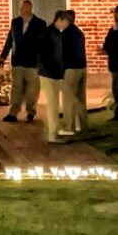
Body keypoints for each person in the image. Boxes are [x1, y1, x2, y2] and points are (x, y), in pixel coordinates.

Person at [0, 0, 48, 123]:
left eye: (22, 8)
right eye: (20, 8)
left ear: (29, 9)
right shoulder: (15, 22)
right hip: (18, 61)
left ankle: (31, 111)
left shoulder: (40, 24)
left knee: (32, 90)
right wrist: (3, 56)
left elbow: (43, 44)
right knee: (16, 88)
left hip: (32, 62)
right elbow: (10, 40)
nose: (20, 10)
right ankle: (13, 113)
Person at [56, 10, 89, 139]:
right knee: (81, 99)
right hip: (82, 67)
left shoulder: (65, 34)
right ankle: (82, 125)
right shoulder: (79, 33)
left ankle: (68, 127)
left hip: (70, 69)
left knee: (68, 99)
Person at [37, 11, 70, 143]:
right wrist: (55, 71)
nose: (67, 25)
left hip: (54, 73)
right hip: (49, 74)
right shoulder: (48, 34)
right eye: (66, 22)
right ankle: (52, 134)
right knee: (52, 104)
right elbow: (46, 56)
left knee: (55, 103)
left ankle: (55, 129)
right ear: (59, 20)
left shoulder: (56, 33)